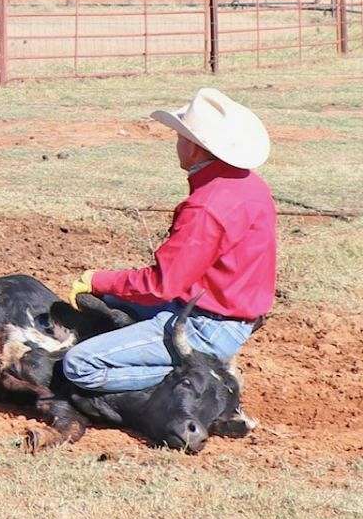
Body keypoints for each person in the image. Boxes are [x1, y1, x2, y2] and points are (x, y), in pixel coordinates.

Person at [62, 88, 276, 393]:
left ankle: (201, 376)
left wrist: (98, 279)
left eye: (180, 137)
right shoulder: (250, 185)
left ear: (195, 148)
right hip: (226, 316)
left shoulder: (206, 207)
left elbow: (161, 285)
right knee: (109, 304)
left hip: (203, 326)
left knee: (79, 365)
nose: (177, 143)